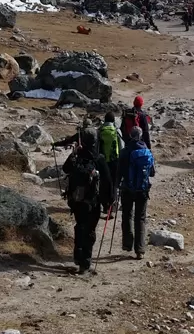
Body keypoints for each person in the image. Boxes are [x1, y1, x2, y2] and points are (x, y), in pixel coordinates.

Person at [62, 129, 113, 274]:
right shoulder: (99, 159)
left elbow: (65, 169)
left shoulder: (77, 157)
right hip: (92, 202)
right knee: (90, 230)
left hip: (76, 200)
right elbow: (107, 182)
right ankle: (86, 261)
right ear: (96, 141)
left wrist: (74, 153)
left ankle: (78, 254)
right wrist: (108, 202)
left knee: (80, 225)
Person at [119, 126, 155, 260]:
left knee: (127, 215)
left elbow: (120, 171)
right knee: (140, 218)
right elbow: (152, 172)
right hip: (142, 189)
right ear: (140, 136)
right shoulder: (146, 151)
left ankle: (127, 244)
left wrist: (117, 185)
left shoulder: (125, 151)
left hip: (127, 188)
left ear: (130, 135)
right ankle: (140, 250)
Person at [99, 112, 124, 204]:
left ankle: (104, 203)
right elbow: (122, 147)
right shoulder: (116, 131)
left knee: (103, 181)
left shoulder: (100, 130)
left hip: (102, 160)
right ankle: (112, 202)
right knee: (114, 181)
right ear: (113, 120)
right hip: (114, 160)